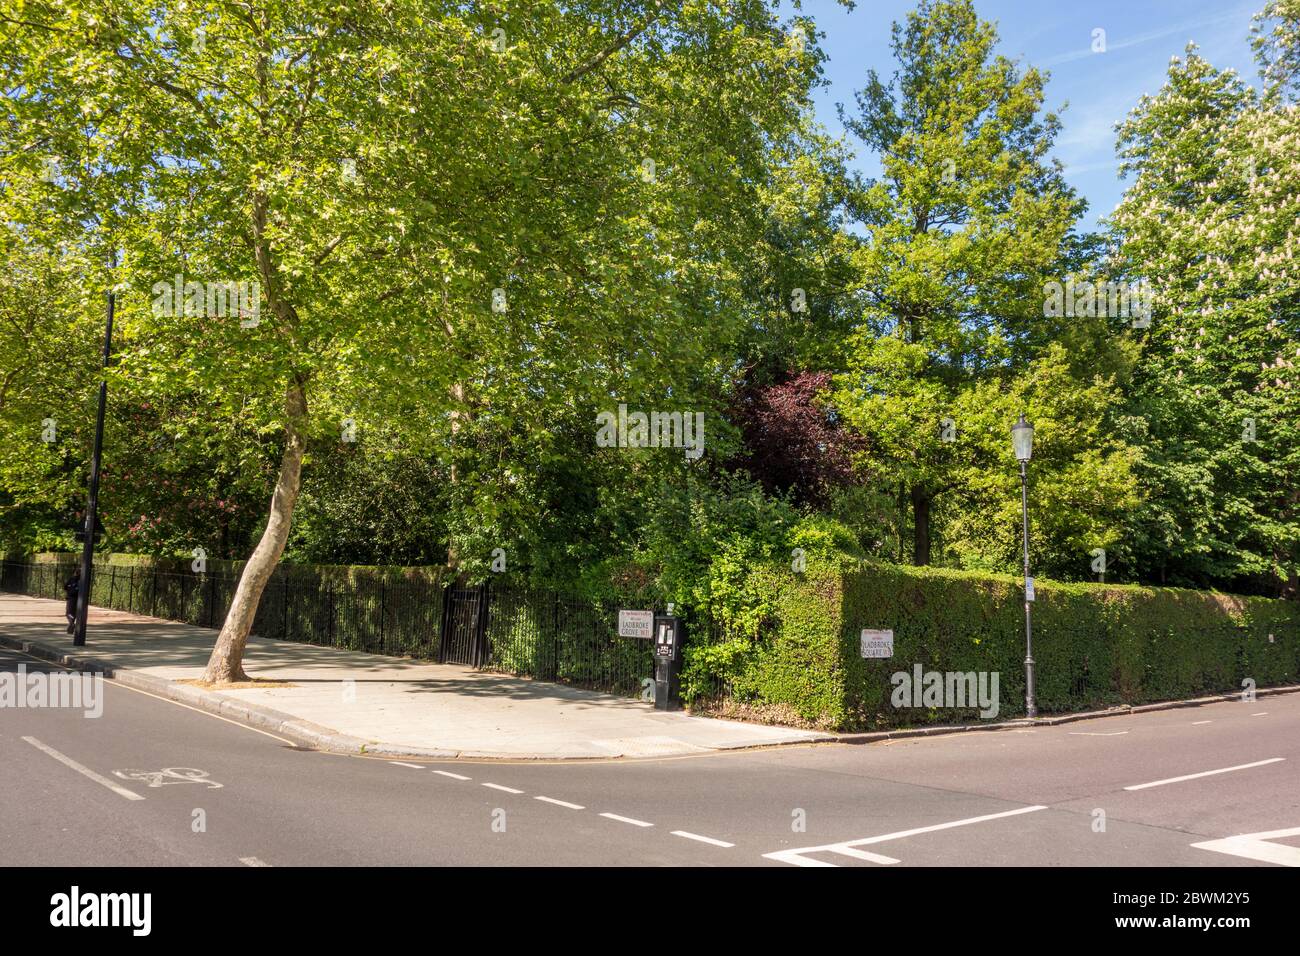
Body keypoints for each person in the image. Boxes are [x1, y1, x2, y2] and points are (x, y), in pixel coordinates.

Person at [64, 567, 81, 634]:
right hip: (79, 599)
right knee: (73, 613)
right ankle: (71, 626)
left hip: (71, 598)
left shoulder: (72, 579)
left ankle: (71, 623)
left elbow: (65, 587)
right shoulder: (81, 580)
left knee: (68, 613)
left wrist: (69, 589)